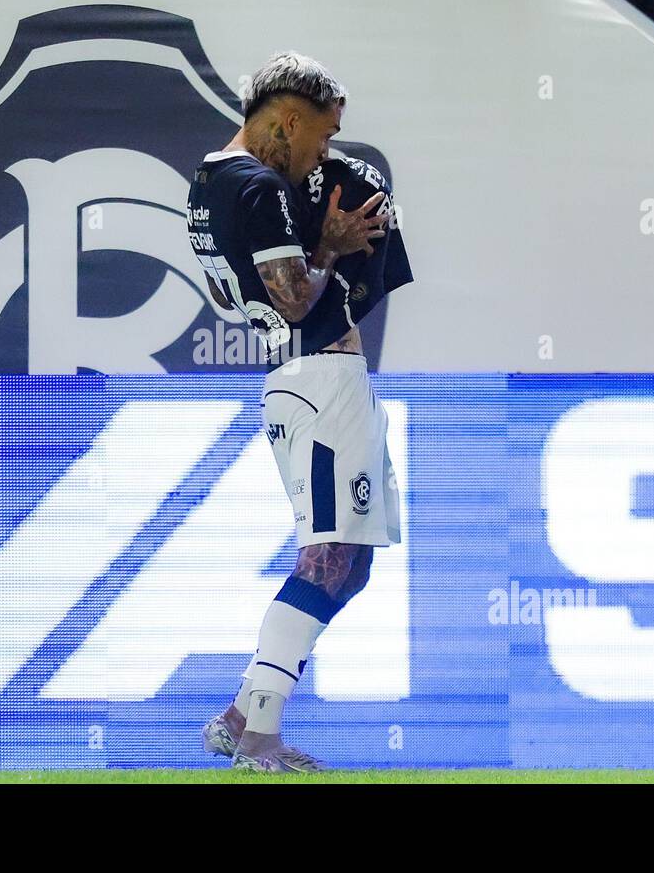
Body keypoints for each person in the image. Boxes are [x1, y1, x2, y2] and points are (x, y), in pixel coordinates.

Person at [184, 51, 413, 771]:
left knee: (352, 564)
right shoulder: (257, 188)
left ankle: (240, 711)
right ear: (287, 121)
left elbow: (234, 298)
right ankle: (262, 738)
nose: (327, 151)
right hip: (321, 379)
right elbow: (293, 297)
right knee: (327, 558)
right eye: (322, 134)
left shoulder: (207, 184)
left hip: (302, 378)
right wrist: (332, 244)